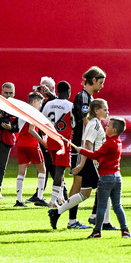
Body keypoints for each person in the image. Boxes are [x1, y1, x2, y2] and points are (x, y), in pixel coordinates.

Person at [52, 98, 106, 230]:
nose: (107, 112)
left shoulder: (92, 123)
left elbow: (83, 142)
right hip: (92, 161)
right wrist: (82, 164)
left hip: (89, 161)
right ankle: (99, 219)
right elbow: (88, 144)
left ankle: (58, 212)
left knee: (86, 193)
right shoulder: (95, 124)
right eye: (105, 109)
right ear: (96, 110)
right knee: (104, 187)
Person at [75, 116, 130, 238]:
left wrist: (81, 150)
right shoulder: (118, 142)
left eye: (109, 126)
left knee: (101, 206)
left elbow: (96, 154)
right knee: (117, 205)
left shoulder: (109, 143)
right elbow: (101, 157)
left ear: (114, 130)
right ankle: (125, 230)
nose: (106, 126)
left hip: (106, 178)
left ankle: (97, 231)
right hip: (117, 177)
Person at [41, 81, 74, 208]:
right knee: (60, 171)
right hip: (63, 142)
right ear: (68, 92)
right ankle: (53, 200)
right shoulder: (70, 106)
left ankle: (60, 197)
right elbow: (74, 124)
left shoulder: (48, 104)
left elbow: (42, 121)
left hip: (51, 139)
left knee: (58, 169)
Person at [13, 92, 47, 207]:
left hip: (21, 144)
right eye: (40, 102)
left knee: (21, 172)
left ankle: (19, 200)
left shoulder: (22, 111)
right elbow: (31, 130)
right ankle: (40, 197)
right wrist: (43, 142)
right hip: (32, 144)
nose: (41, 105)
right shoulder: (33, 112)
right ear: (34, 101)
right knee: (42, 170)